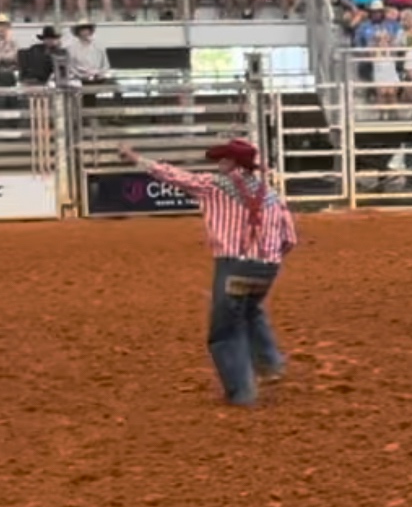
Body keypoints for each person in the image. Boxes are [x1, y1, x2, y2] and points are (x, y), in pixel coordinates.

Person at [117, 138, 297, 407]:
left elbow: (174, 176)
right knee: (250, 309)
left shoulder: (214, 187)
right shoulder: (271, 195)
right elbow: (289, 238)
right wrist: (268, 259)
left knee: (225, 331)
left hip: (233, 264)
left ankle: (243, 393)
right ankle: (270, 363)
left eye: (223, 159)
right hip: (268, 268)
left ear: (232, 163)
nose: (219, 163)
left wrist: (135, 159)